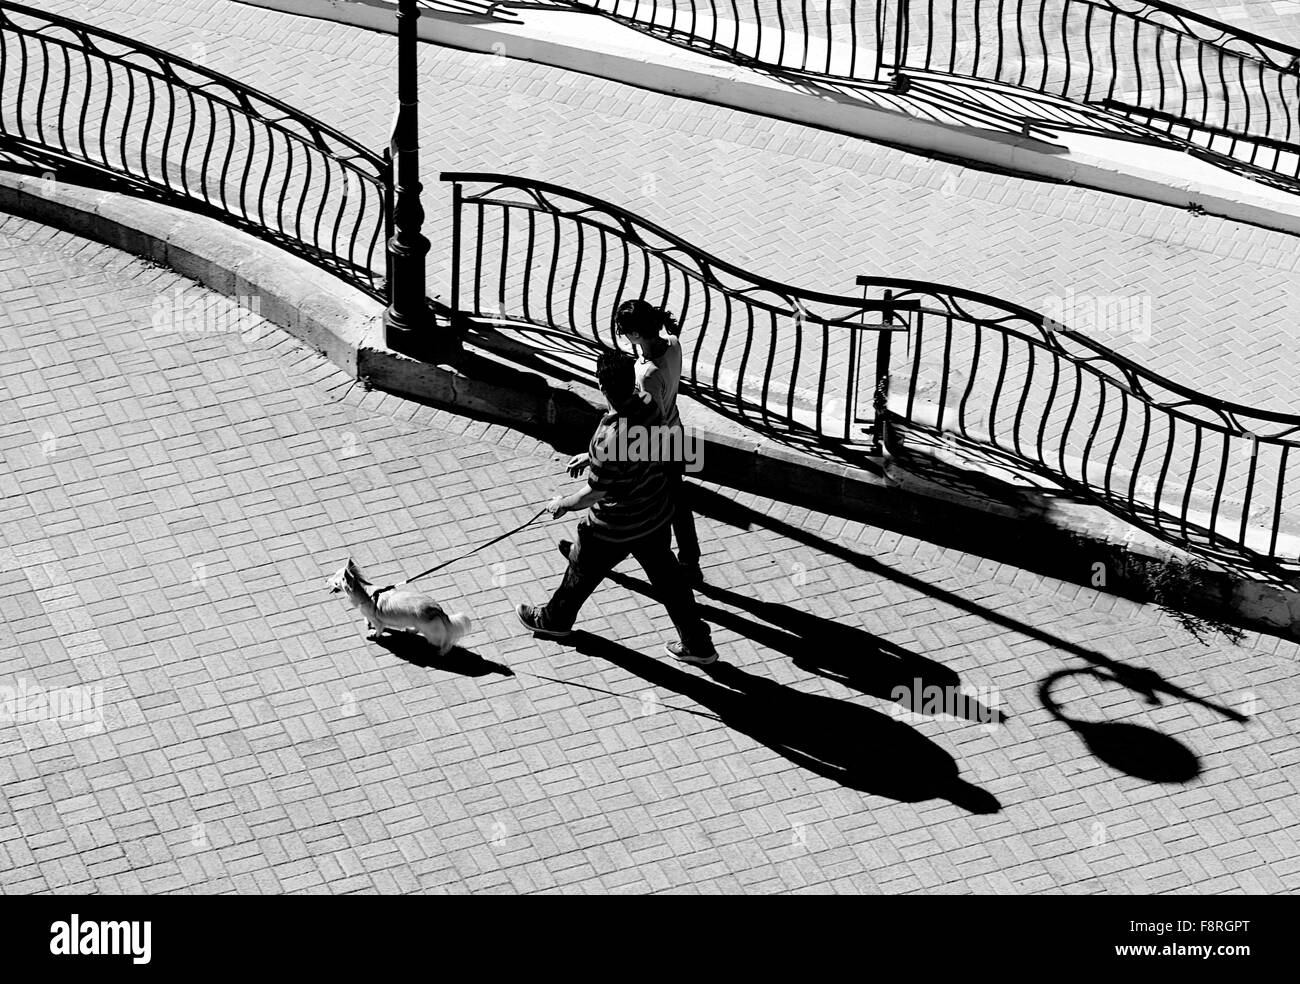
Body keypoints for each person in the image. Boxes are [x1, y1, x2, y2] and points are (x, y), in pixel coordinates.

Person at [516, 350, 717, 665]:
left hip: (614, 526)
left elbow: (593, 494)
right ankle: (698, 643)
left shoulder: (608, 438)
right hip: (654, 515)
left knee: (581, 572)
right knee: (670, 583)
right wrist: (593, 458)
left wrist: (562, 504)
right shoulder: (647, 407)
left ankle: (553, 621)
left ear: (600, 385)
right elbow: (648, 447)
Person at [566, 299, 702, 583]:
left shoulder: (648, 374)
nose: (624, 338)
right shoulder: (673, 343)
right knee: (678, 500)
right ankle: (690, 561)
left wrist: (594, 456)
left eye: (625, 332)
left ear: (635, 335)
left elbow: (646, 421)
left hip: (660, 441)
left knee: (642, 503)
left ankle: (598, 556)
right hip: (677, 434)